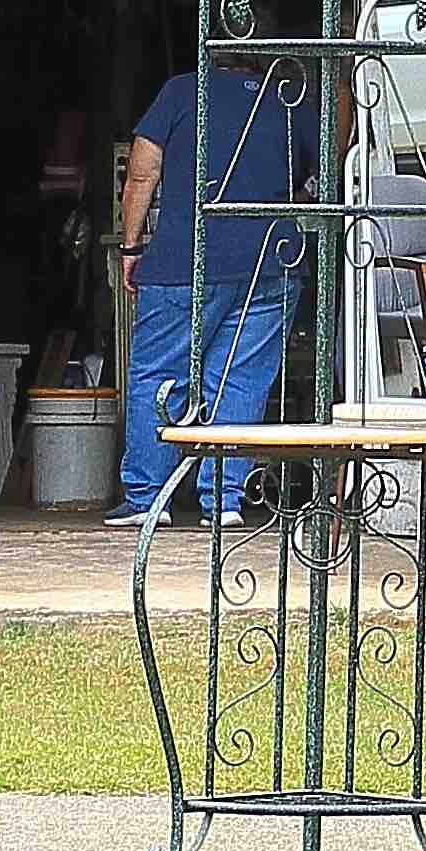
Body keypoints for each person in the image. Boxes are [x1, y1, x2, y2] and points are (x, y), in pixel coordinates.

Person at [114, 35, 316, 520]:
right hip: (271, 260)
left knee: (159, 376)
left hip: (184, 261)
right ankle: (222, 502)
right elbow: (316, 176)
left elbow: (141, 175)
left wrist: (130, 246)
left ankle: (148, 499)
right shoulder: (288, 100)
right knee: (240, 382)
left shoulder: (182, 92)